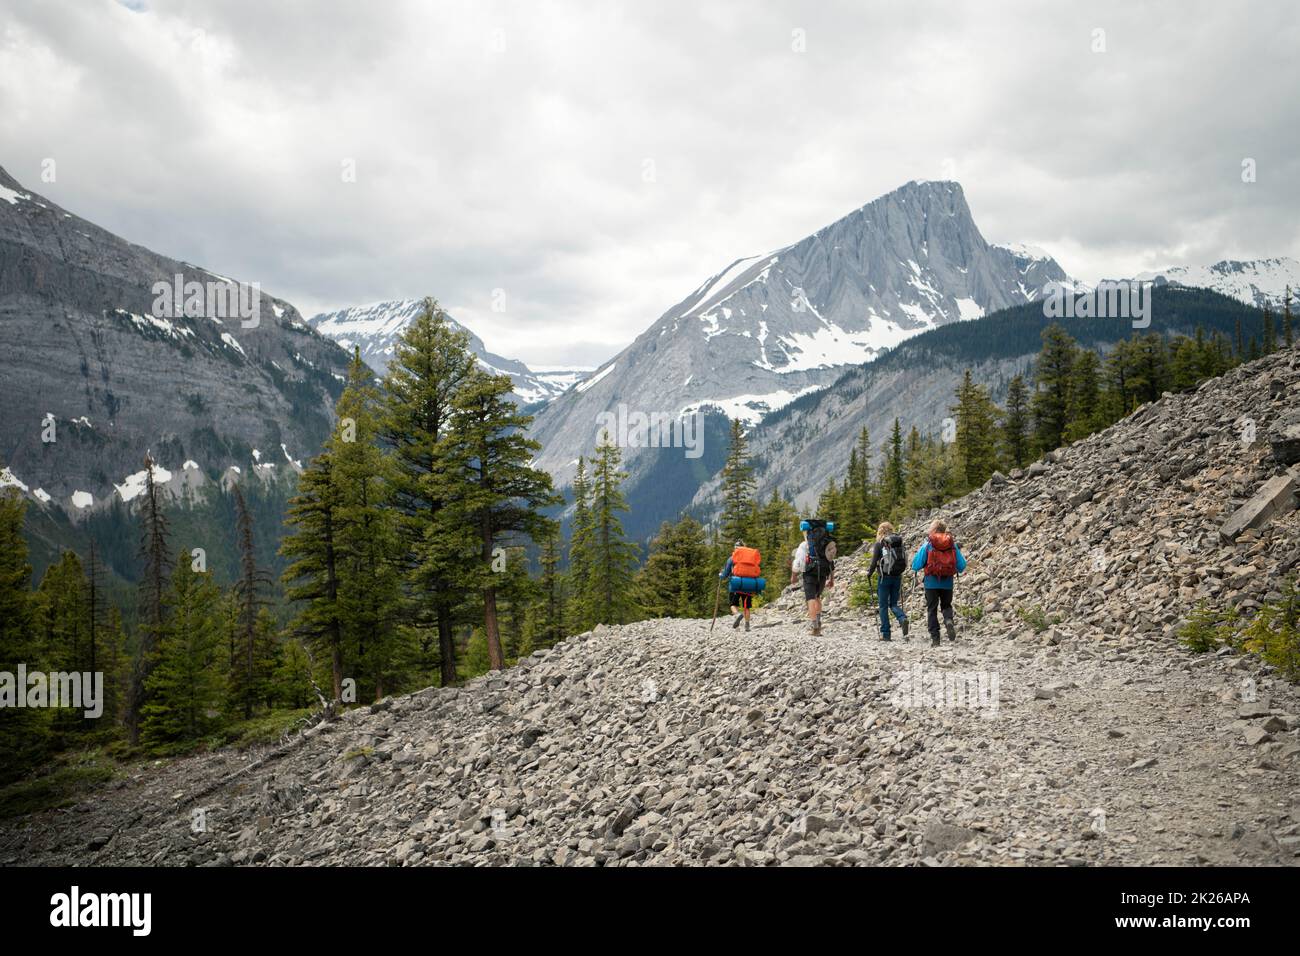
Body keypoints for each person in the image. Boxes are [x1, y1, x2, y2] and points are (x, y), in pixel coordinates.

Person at [910, 519, 966, 647]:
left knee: (932, 609)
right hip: (947, 582)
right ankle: (948, 620)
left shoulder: (929, 544)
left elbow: (916, 564)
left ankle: (936, 639)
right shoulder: (951, 544)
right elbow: (962, 565)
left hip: (931, 583)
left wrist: (916, 567)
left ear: (933, 529)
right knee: (946, 605)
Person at [790, 519, 836, 636]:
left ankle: (815, 628)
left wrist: (794, 575)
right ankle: (819, 622)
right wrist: (831, 579)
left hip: (810, 573)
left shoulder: (805, 545)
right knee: (817, 597)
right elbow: (831, 561)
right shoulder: (827, 543)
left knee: (810, 599)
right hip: (823, 573)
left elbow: (798, 562)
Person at [866, 521, 909, 641]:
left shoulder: (879, 544)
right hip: (897, 576)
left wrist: (869, 573)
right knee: (894, 604)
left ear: (880, 531)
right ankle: (902, 618)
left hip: (884, 578)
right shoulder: (898, 542)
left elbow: (874, 562)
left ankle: (886, 634)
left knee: (883, 606)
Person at [719, 540, 762, 632]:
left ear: (735, 548)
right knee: (746, 606)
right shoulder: (750, 559)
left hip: (735, 585)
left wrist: (720, 575)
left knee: (733, 604)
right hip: (748, 585)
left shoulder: (731, 558)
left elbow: (726, 573)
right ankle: (747, 625)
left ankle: (737, 615)